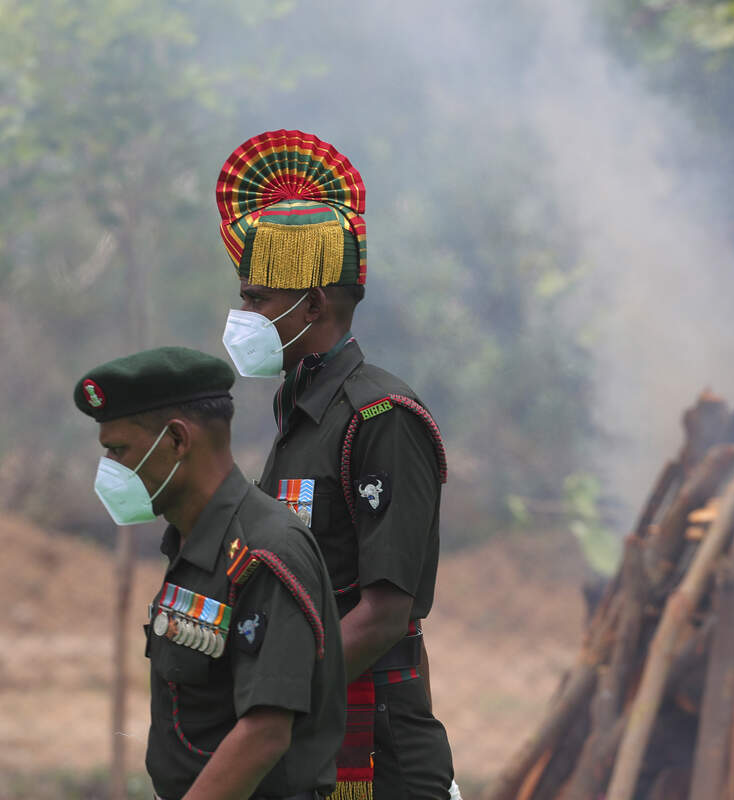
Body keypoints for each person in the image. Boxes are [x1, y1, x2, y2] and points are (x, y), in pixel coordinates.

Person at [216, 129, 455, 799]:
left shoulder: (381, 417)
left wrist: (272, 699)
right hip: (313, 732)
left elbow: (383, 614)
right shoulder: (301, 408)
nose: (243, 315)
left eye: (256, 298)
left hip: (372, 751)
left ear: (312, 304)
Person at [75, 346, 345, 800]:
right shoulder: (192, 543)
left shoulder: (264, 550)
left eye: (118, 450)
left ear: (177, 440)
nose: (109, 472)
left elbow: (265, 732)